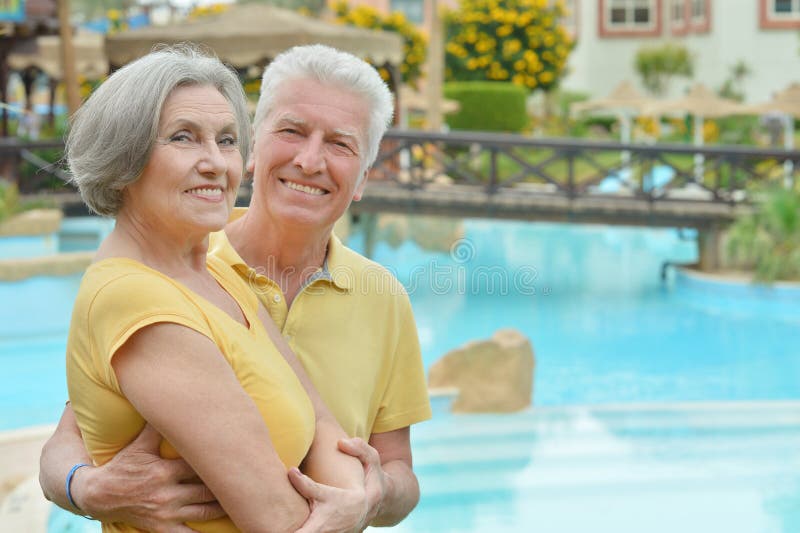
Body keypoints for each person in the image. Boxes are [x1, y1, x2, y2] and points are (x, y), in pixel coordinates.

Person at [40, 44, 432, 530]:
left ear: (363, 180)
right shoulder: (176, 262)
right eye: (291, 131)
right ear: (256, 150)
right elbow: (73, 427)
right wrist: (87, 486)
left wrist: (368, 496)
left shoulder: (381, 295)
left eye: (340, 144)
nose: (310, 161)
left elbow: (398, 468)